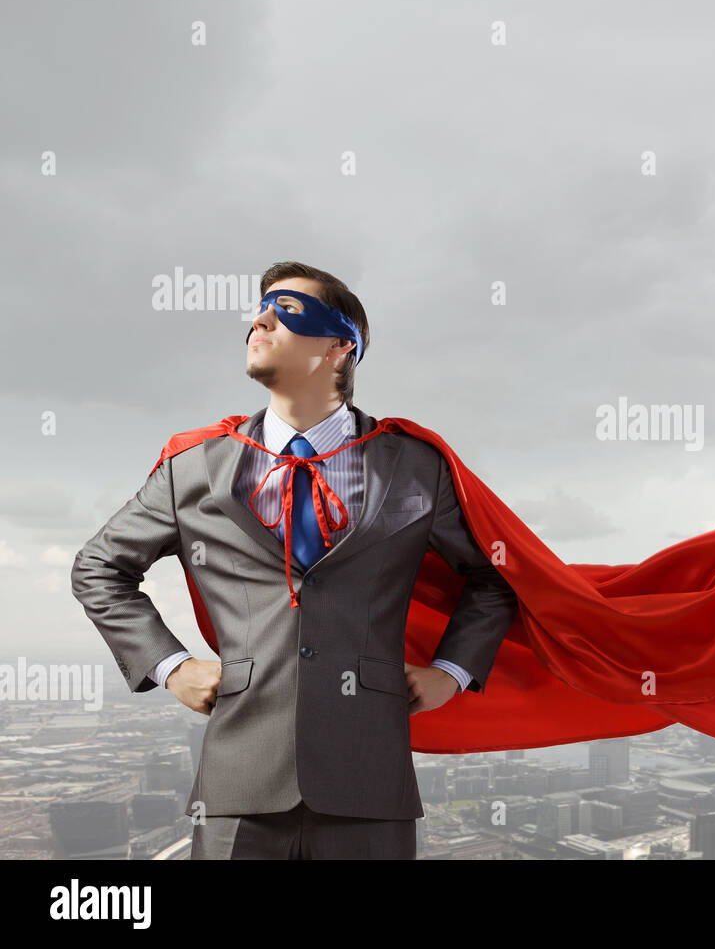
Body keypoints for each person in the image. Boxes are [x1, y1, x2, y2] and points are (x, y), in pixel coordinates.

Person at [70, 260, 517, 858]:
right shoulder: (195, 467)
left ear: (340, 346)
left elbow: (495, 574)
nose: (259, 321)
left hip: (369, 782)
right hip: (238, 781)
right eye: (258, 311)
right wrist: (170, 666)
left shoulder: (416, 466)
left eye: (287, 311)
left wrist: (452, 671)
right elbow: (98, 567)